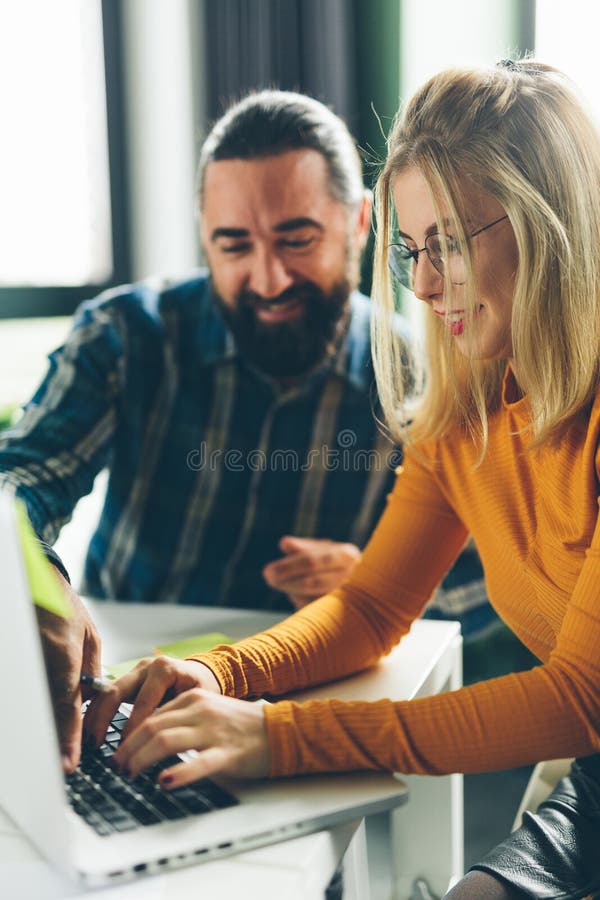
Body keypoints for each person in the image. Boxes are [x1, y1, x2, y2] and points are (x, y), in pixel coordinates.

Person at [85, 60, 600, 900]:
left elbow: (581, 697)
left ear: (553, 225)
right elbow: (370, 609)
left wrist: (281, 737)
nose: (426, 286)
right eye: (411, 250)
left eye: (453, 243)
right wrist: (220, 674)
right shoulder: (466, 408)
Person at [0, 89, 488, 771]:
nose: (268, 278)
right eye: (234, 245)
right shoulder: (126, 336)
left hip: (302, 695)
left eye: (298, 239)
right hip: (126, 685)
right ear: (204, 236)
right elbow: (19, 478)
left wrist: (386, 582)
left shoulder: (423, 376)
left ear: (359, 223)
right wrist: (36, 582)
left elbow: (486, 576)